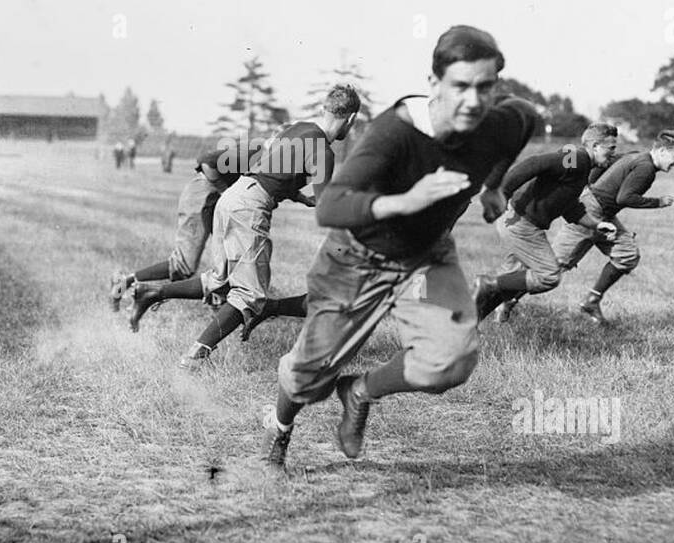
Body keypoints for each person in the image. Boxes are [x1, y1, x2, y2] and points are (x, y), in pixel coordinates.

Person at [261, 26, 538, 470]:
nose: (473, 100)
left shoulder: (500, 123)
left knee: (449, 361)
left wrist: (493, 187)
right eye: (460, 86)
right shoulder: (394, 133)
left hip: (426, 258)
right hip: (355, 260)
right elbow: (330, 205)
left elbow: (523, 118)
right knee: (305, 382)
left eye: (485, 87)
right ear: (434, 84)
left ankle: (359, 392)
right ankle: (279, 435)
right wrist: (408, 201)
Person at [130, 85, 362, 365]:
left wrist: (297, 196)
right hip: (250, 207)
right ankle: (194, 356)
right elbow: (328, 209)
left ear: (325, 109)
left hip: (233, 195)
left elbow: (272, 167)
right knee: (250, 295)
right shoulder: (324, 152)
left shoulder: (299, 128)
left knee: (220, 279)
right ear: (350, 119)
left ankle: (152, 292)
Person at [473, 122, 620, 323]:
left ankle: (470, 321)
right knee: (548, 275)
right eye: (610, 148)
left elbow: (570, 208)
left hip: (522, 222)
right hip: (521, 223)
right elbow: (534, 163)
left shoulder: (581, 166)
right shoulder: (577, 158)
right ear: (595, 146)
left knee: (513, 279)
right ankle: (488, 283)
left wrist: (596, 224)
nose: (614, 153)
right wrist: (502, 193)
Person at [549, 129, 674, 325]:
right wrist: (658, 202)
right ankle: (506, 295)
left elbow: (606, 162)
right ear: (663, 151)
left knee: (627, 253)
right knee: (553, 267)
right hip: (589, 213)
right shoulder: (646, 169)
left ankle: (591, 301)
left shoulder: (636, 155)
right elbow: (626, 198)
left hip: (604, 214)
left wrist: (591, 186)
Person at [109, 143, 253, 311]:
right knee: (183, 266)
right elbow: (207, 161)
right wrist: (224, 190)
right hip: (203, 193)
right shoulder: (257, 155)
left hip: (212, 196)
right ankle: (127, 282)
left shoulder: (267, 157)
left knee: (231, 251)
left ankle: (219, 297)